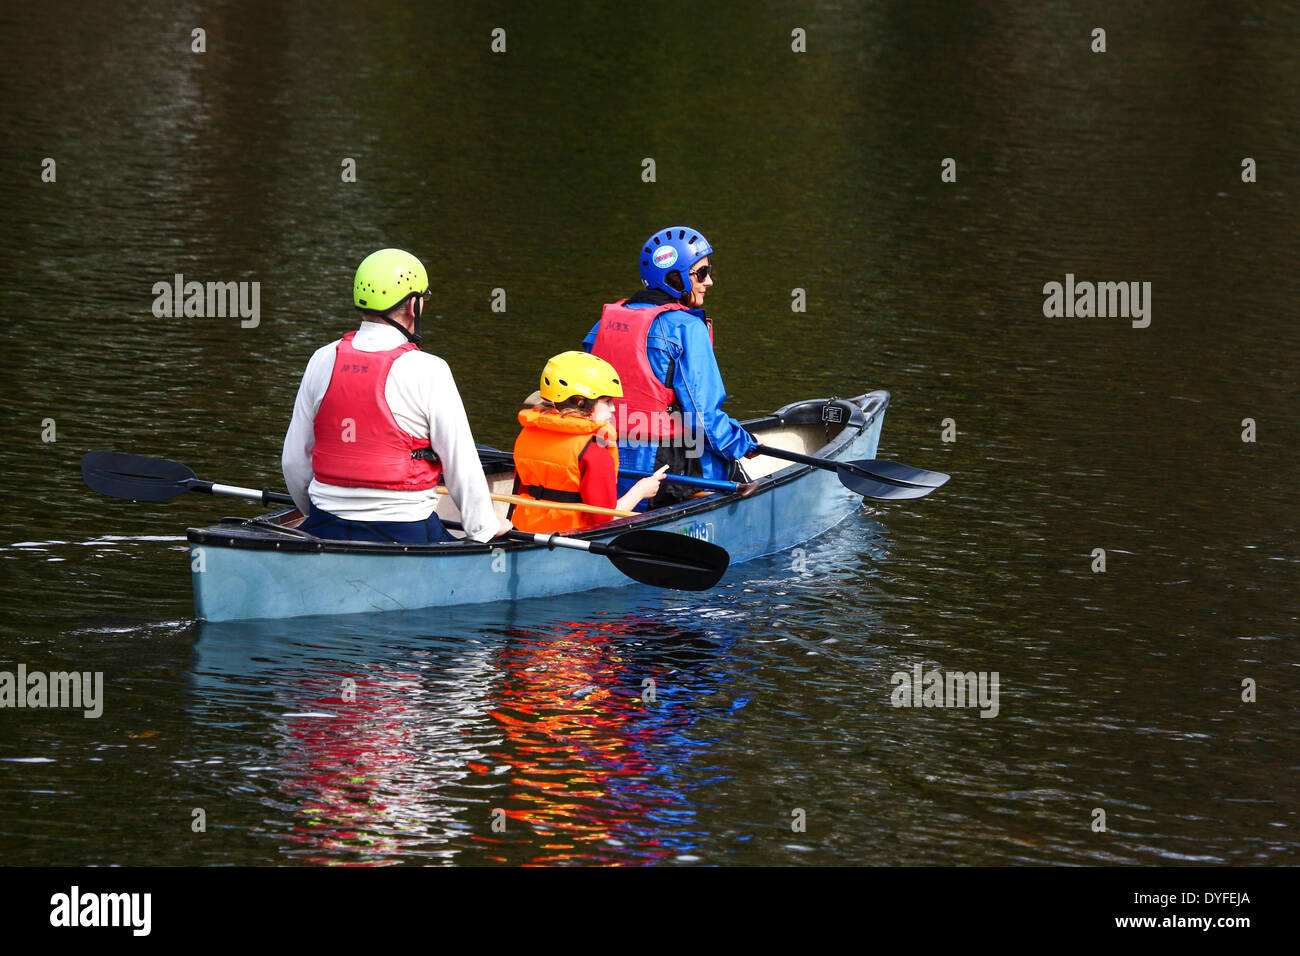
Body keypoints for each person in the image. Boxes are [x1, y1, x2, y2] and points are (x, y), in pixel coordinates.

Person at [281, 248, 509, 544]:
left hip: (326, 524)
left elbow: (293, 462)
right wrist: (485, 528)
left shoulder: (322, 359)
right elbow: (461, 465)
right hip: (405, 530)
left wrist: (314, 512)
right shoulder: (430, 370)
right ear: (413, 305)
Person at [583, 226, 757, 506]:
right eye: (701, 273)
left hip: (604, 457)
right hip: (664, 469)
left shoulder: (603, 324)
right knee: (716, 450)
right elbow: (704, 419)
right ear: (675, 279)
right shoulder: (687, 328)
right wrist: (743, 444)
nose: (709, 281)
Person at [510, 351, 667, 534]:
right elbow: (607, 518)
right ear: (580, 402)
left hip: (524, 531)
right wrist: (641, 490)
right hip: (573, 539)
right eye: (607, 401)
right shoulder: (594, 449)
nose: (613, 409)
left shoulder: (528, 433)